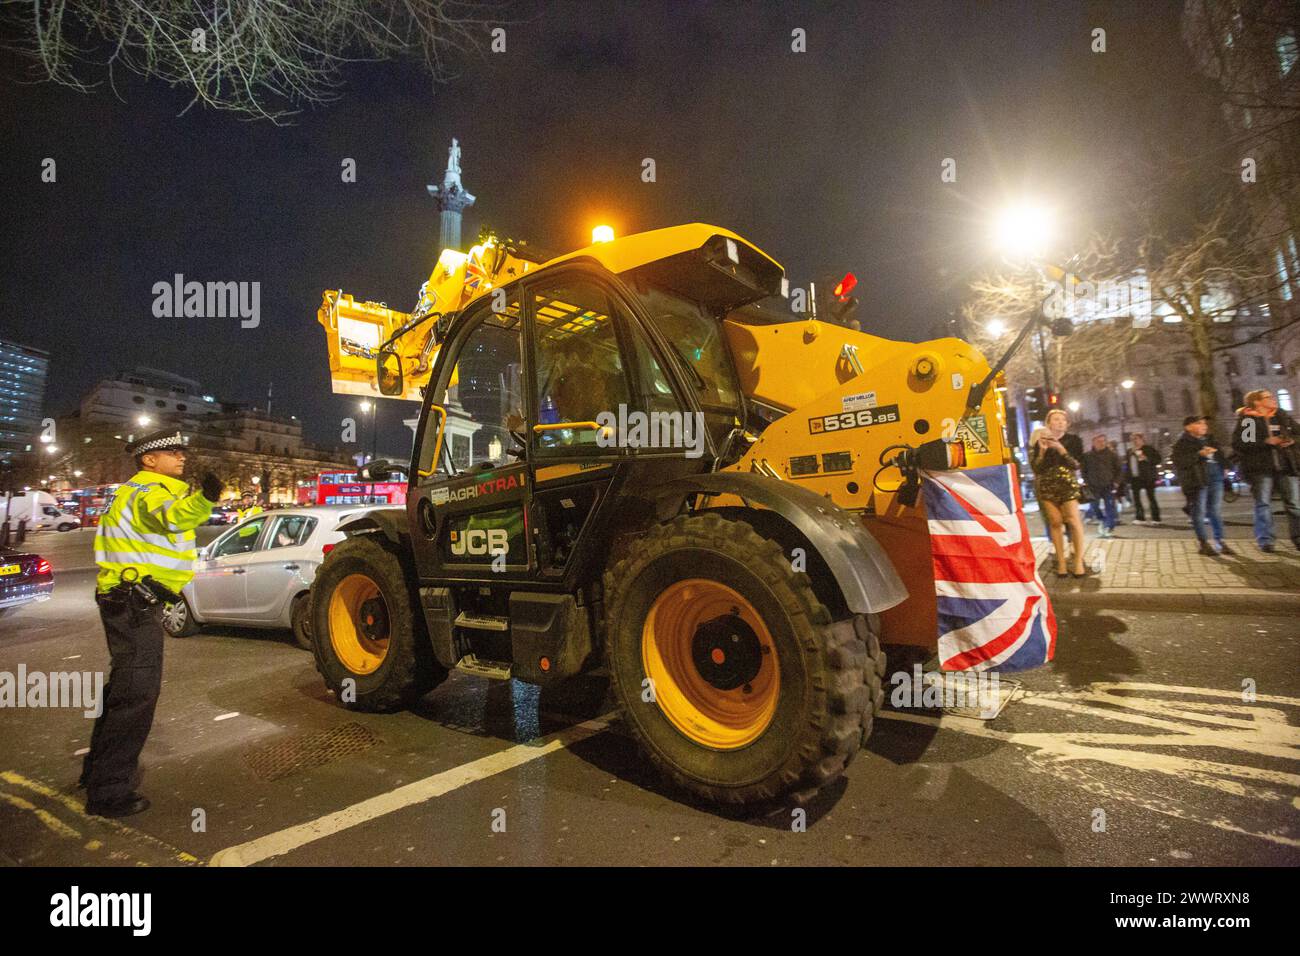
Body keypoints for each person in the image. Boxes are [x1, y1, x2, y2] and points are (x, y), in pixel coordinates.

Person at [81, 430, 221, 817]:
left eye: (182, 452)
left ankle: (96, 771)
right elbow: (172, 518)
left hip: (125, 597)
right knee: (137, 695)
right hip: (134, 601)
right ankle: (108, 791)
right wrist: (205, 498)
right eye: (172, 452)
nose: (181, 458)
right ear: (148, 459)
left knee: (124, 689)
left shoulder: (130, 491)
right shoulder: (150, 490)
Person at [1231, 388, 1300, 553]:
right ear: (1257, 402)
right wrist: (1267, 441)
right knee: (1263, 504)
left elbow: (1299, 434)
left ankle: (1298, 538)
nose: (1273, 399)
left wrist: (1290, 440)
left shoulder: (1281, 416)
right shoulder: (1250, 420)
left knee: (1294, 504)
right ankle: (1266, 540)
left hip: (1285, 466)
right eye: (1268, 397)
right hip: (1260, 468)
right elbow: (1243, 444)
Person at [1029, 424, 1088, 577]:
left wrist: (1061, 449)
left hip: (1067, 486)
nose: (1047, 438)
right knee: (1055, 523)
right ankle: (1061, 562)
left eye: (1049, 435)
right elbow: (1036, 469)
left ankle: (1077, 562)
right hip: (1047, 488)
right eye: (1044, 435)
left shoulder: (1068, 443)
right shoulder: (1038, 447)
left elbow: (1075, 465)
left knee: (1073, 521)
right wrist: (1041, 451)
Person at [1172, 415, 1234, 557]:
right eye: (1199, 423)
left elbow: (1220, 456)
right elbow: (1180, 462)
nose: (1204, 426)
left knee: (1215, 511)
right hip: (1198, 480)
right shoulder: (1182, 443)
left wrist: (1225, 466)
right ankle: (1204, 543)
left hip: (1216, 477)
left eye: (1205, 424)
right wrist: (1199, 454)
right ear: (1188, 427)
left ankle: (1220, 541)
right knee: (1198, 512)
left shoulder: (1210, 439)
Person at [1082, 434, 1122, 538]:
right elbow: (1084, 471)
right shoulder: (1087, 456)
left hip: (1109, 485)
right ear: (1093, 442)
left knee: (1110, 507)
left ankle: (1109, 526)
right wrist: (1086, 481)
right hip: (1093, 486)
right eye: (1099, 441)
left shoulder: (1112, 455)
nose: (1102, 443)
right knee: (1094, 506)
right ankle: (1102, 520)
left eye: (1104, 441)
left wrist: (1116, 482)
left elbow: (1119, 469)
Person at [1125, 433, 1162, 524]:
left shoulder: (1148, 449)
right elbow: (1128, 465)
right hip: (1135, 477)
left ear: (1142, 439)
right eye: (1132, 439)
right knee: (1136, 498)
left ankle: (1156, 518)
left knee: (1151, 497)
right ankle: (1140, 517)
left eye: (1136, 438)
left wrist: (1146, 458)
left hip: (1148, 477)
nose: (1134, 440)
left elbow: (1158, 460)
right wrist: (1127, 477)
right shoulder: (1130, 451)